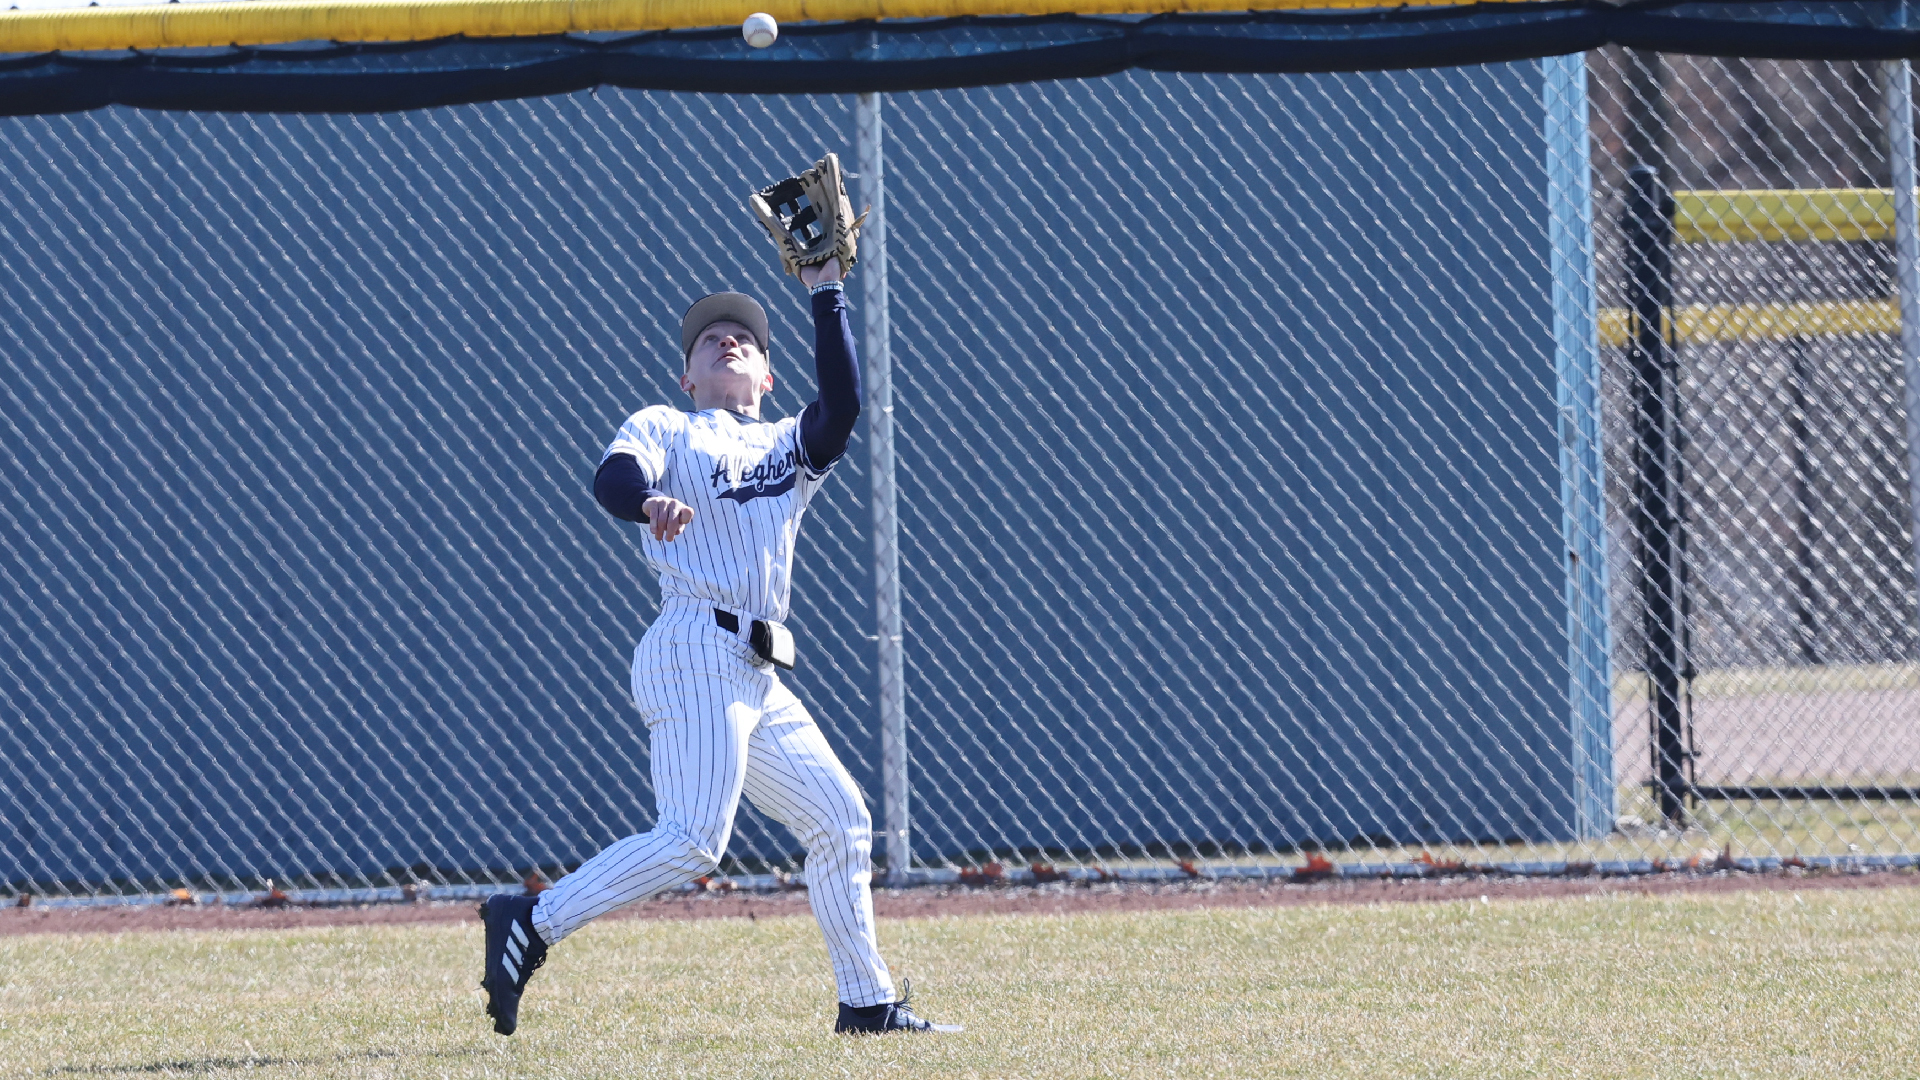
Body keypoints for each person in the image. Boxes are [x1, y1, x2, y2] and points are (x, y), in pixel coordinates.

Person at [478, 256, 958, 1037]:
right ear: (688, 377)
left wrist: (826, 292)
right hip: (694, 643)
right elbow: (612, 478)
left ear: (767, 376)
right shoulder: (668, 427)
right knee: (695, 839)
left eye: (744, 339)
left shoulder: (785, 447)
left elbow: (843, 407)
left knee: (841, 820)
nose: (728, 342)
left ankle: (867, 1004)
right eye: (710, 340)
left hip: (756, 671)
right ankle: (532, 919)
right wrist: (646, 502)